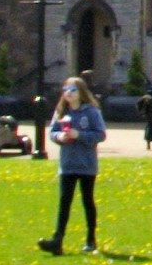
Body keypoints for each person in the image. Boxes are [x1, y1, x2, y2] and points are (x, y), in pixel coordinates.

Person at [38, 75, 106, 255]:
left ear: (81, 92)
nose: (68, 93)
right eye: (65, 89)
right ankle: (57, 240)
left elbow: (100, 134)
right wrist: (59, 137)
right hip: (67, 164)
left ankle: (91, 240)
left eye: (73, 90)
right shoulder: (62, 111)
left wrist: (79, 135)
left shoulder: (91, 112)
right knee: (64, 201)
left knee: (87, 200)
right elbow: (53, 132)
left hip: (86, 165)